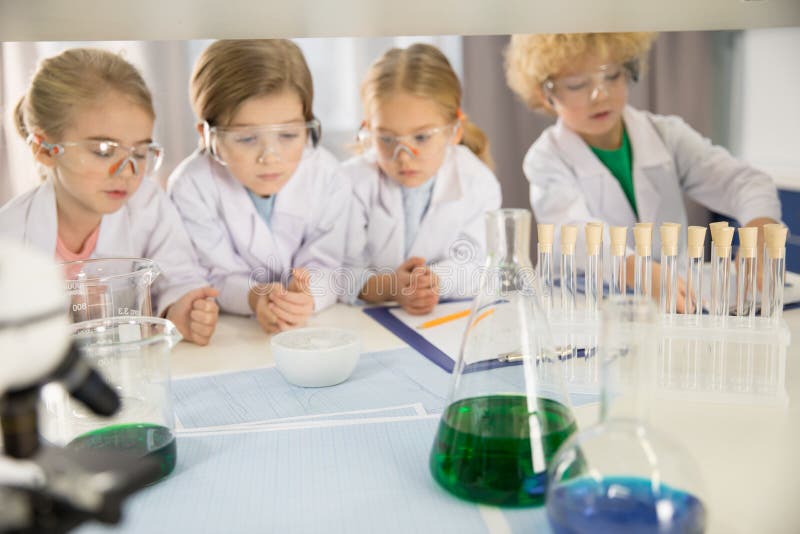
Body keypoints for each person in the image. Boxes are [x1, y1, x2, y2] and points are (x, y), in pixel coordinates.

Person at [504, 32, 781, 311]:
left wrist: (758, 236)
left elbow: (746, 183)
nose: (600, 95)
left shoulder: (665, 134)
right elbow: (574, 234)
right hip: (586, 313)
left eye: (612, 76)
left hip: (677, 308)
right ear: (545, 93)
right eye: (577, 84)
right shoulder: (546, 158)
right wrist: (640, 272)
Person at [1, 47, 219, 345]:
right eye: (104, 151)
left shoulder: (147, 204)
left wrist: (183, 309)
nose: (127, 171)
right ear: (44, 148)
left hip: (130, 366)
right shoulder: (10, 234)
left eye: (140, 153)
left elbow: (179, 277)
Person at [168, 39, 347, 334]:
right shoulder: (191, 186)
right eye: (247, 139)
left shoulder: (326, 174)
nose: (270, 157)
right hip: (233, 333)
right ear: (208, 135)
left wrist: (307, 296)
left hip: (313, 329)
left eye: (289, 135)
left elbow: (328, 262)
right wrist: (254, 297)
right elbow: (213, 275)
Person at [340, 43, 502, 315]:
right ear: (368, 130)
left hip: (448, 320)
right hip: (368, 322)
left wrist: (433, 282)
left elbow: (482, 266)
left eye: (421, 137)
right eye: (387, 139)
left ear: (454, 130)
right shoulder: (352, 183)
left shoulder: (477, 181)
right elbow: (337, 271)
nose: (403, 156)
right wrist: (391, 287)